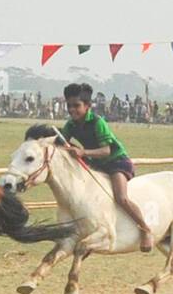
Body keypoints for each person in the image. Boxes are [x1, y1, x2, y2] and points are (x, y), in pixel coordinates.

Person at [60, 83, 154, 251]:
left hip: (116, 161)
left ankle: (145, 229)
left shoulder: (98, 122)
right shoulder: (70, 125)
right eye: (69, 106)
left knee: (121, 198)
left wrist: (82, 152)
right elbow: (61, 141)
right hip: (95, 163)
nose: (72, 109)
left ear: (87, 106)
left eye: (77, 106)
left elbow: (106, 150)